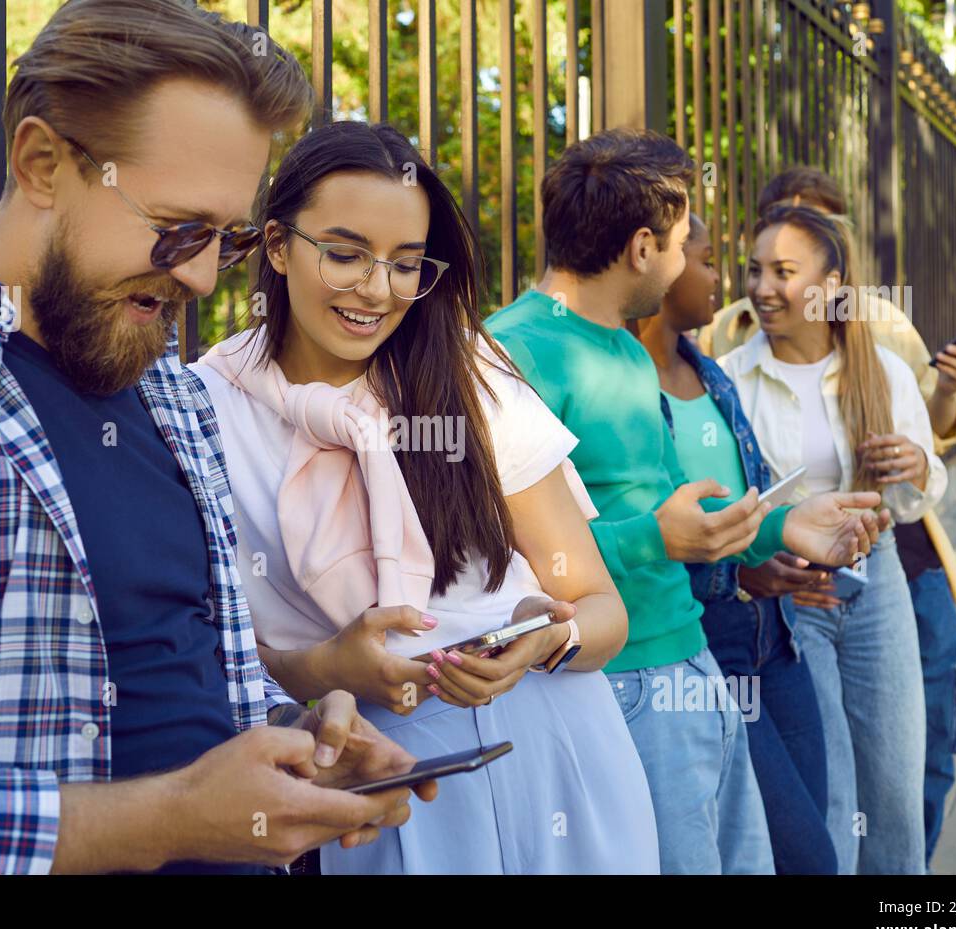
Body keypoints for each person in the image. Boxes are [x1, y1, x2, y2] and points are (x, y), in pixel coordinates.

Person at [0, 0, 435, 876]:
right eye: (179, 228)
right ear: (43, 162)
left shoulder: (166, 390)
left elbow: (179, 681)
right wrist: (167, 821)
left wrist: (295, 742)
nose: (198, 273)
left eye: (224, 241)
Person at [193, 119, 660, 874]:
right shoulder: (203, 406)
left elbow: (601, 608)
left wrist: (547, 644)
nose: (376, 290)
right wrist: (330, 667)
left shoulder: (467, 371)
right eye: (344, 254)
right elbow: (219, 665)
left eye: (406, 264)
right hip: (383, 779)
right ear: (277, 246)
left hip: (559, 747)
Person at [486, 128, 888, 874]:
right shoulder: (513, 352)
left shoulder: (620, 346)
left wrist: (789, 524)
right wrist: (652, 540)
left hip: (693, 660)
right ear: (642, 248)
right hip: (621, 682)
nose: (682, 260)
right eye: (678, 241)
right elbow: (498, 555)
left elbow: (678, 508)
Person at [700, 166, 956, 864]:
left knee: (895, 782)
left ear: (831, 286)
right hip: (793, 600)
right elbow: (725, 502)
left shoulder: (881, 369)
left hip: (877, 582)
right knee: (826, 789)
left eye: (784, 271)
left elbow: (921, 492)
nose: (763, 287)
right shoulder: (732, 375)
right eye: (754, 269)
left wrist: (916, 470)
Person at [634, 214, 836, 874]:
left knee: (817, 842)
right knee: (803, 856)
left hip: (774, 638)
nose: (731, 282)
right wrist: (746, 563)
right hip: (707, 647)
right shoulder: (623, 384)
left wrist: (766, 555)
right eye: (713, 260)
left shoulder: (708, 372)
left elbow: (737, 513)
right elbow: (654, 539)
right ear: (656, 263)